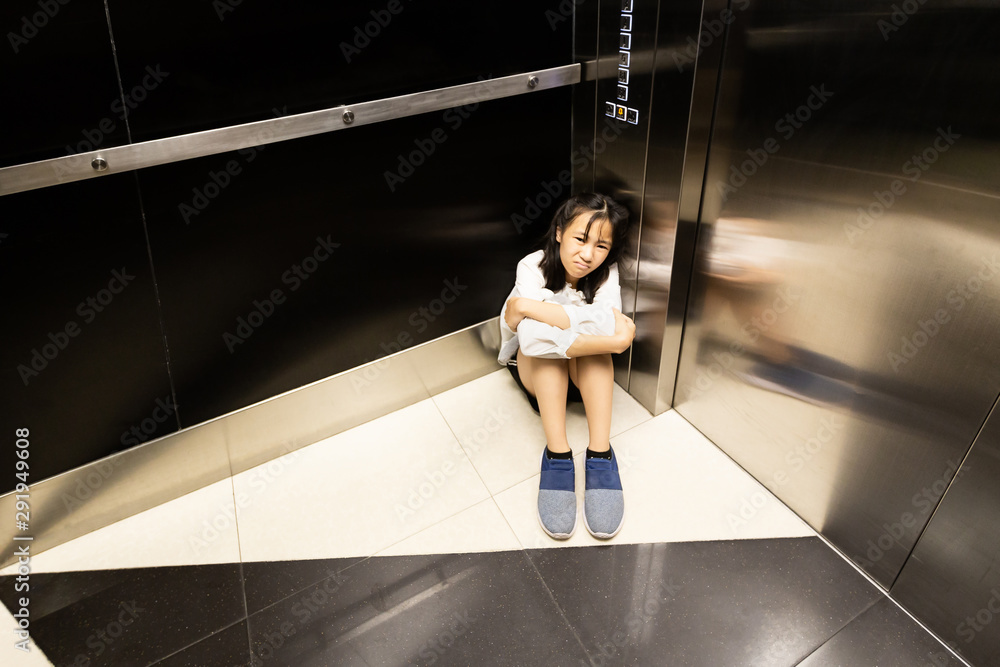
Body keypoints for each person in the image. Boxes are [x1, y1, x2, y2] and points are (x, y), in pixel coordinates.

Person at [498, 192, 635, 540]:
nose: (588, 255)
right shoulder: (533, 266)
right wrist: (613, 341)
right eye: (580, 239)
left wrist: (532, 309)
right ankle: (558, 455)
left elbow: (607, 323)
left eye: (601, 246)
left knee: (594, 352)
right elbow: (531, 341)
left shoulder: (607, 273)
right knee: (547, 354)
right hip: (537, 373)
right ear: (559, 231)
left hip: (586, 374)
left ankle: (600, 454)